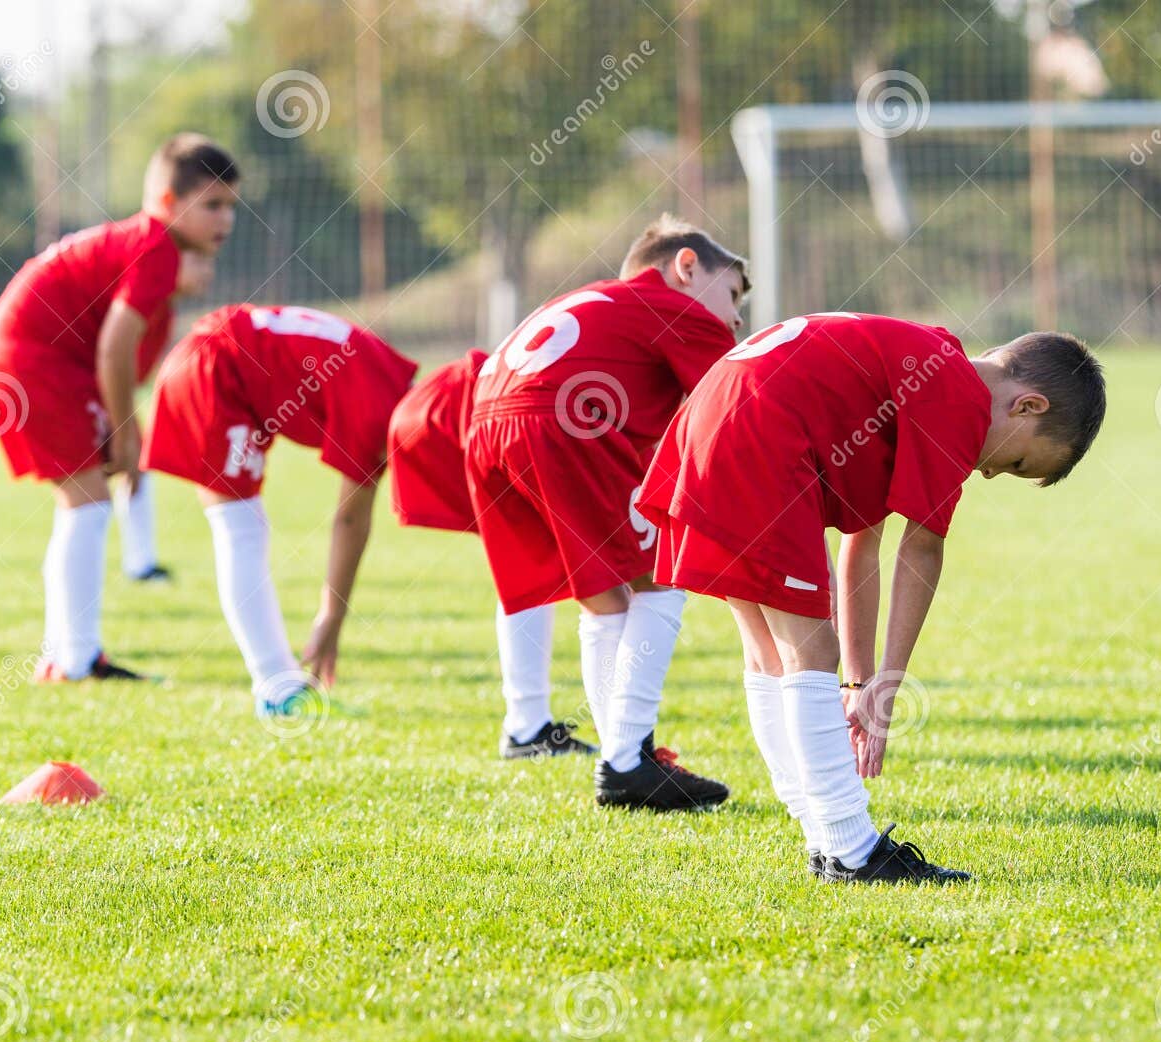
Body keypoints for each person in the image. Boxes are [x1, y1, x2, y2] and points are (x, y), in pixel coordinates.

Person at [639, 312, 1106, 882]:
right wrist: (891, 678)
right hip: (758, 435)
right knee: (809, 650)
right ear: (1027, 406)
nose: (991, 475)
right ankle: (850, 851)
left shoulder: (928, 369)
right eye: (1015, 463)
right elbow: (922, 549)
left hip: (713, 421)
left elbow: (863, 543)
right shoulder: (957, 397)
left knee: (768, 650)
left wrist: (860, 684)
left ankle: (823, 832)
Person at [465, 214, 746, 810]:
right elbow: (736, 407)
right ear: (686, 267)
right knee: (665, 571)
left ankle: (626, 756)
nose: (738, 316)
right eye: (734, 293)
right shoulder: (678, 309)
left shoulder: (589, 300)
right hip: (559, 419)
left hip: (487, 424)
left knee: (605, 596)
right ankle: (625, 762)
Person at [0, 133, 239, 681]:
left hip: (26, 356)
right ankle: (76, 659)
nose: (226, 220)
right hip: (32, 360)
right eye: (212, 205)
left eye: (231, 206)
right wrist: (124, 430)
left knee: (81, 503)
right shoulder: (157, 248)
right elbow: (115, 345)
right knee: (89, 503)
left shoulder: (146, 246)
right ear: (167, 203)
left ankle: (62, 654)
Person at [142, 304, 418, 713]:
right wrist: (332, 615)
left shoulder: (391, 379)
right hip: (215, 369)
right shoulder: (382, 415)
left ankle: (277, 681)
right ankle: (275, 688)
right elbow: (350, 517)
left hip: (216, 353)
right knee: (241, 528)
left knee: (243, 526)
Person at [388, 349, 595, 759]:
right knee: (532, 558)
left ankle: (528, 724)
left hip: (454, 399)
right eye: (732, 294)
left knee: (535, 556)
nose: (735, 315)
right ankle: (529, 726)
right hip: (464, 407)